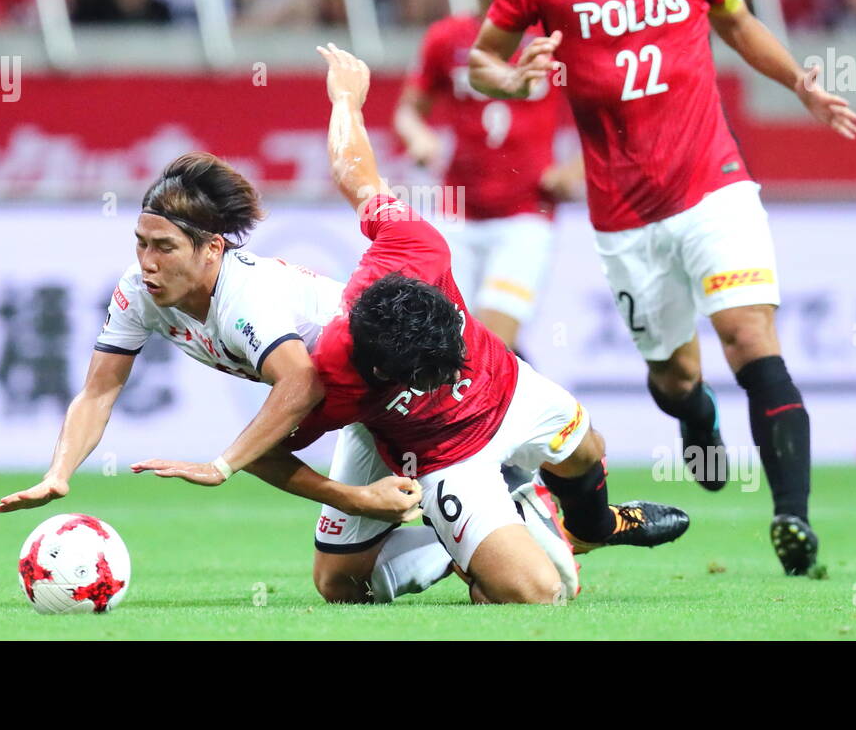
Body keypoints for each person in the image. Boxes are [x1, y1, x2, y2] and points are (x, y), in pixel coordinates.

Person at [469, 0, 856, 576]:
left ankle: (793, 521)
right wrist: (512, 80)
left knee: (752, 338)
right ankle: (697, 419)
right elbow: (481, 59)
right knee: (674, 374)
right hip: (623, 217)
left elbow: (737, 23)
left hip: (713, 185)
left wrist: (801, 84)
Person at [142, 43, 687, 605]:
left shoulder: (417, 245)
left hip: (507, 384)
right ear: (377, 371)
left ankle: (593, 527)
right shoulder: (329, 382)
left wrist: (345, 103)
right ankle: (504, 527)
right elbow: (267, 451)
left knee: (587, 448)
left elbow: (356, 172)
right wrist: (354, 498)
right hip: (440, 455)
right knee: (511, 593)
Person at [0, 151, 570, 603]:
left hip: (391, 390)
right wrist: (59, 472)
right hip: (346, 413)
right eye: (140, 243)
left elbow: (300, 384)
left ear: (212, 248)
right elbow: (99, 390)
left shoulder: (248, 299)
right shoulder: (140, 292)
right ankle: (460, 541)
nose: (147, 262)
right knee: (340, 586)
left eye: (164, 247)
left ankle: (508, 518)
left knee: (525, 593)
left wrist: (222, 465)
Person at [394, 0, 583, 353]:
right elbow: (408, 110)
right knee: (443, 344)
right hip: (456, 211)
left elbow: (609, 117)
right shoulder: (446, 38)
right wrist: (419, 136)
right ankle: (522, 401)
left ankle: (523, 403)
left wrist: (574, 170)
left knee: (491, 342)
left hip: (526, 214)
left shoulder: (555, 36)